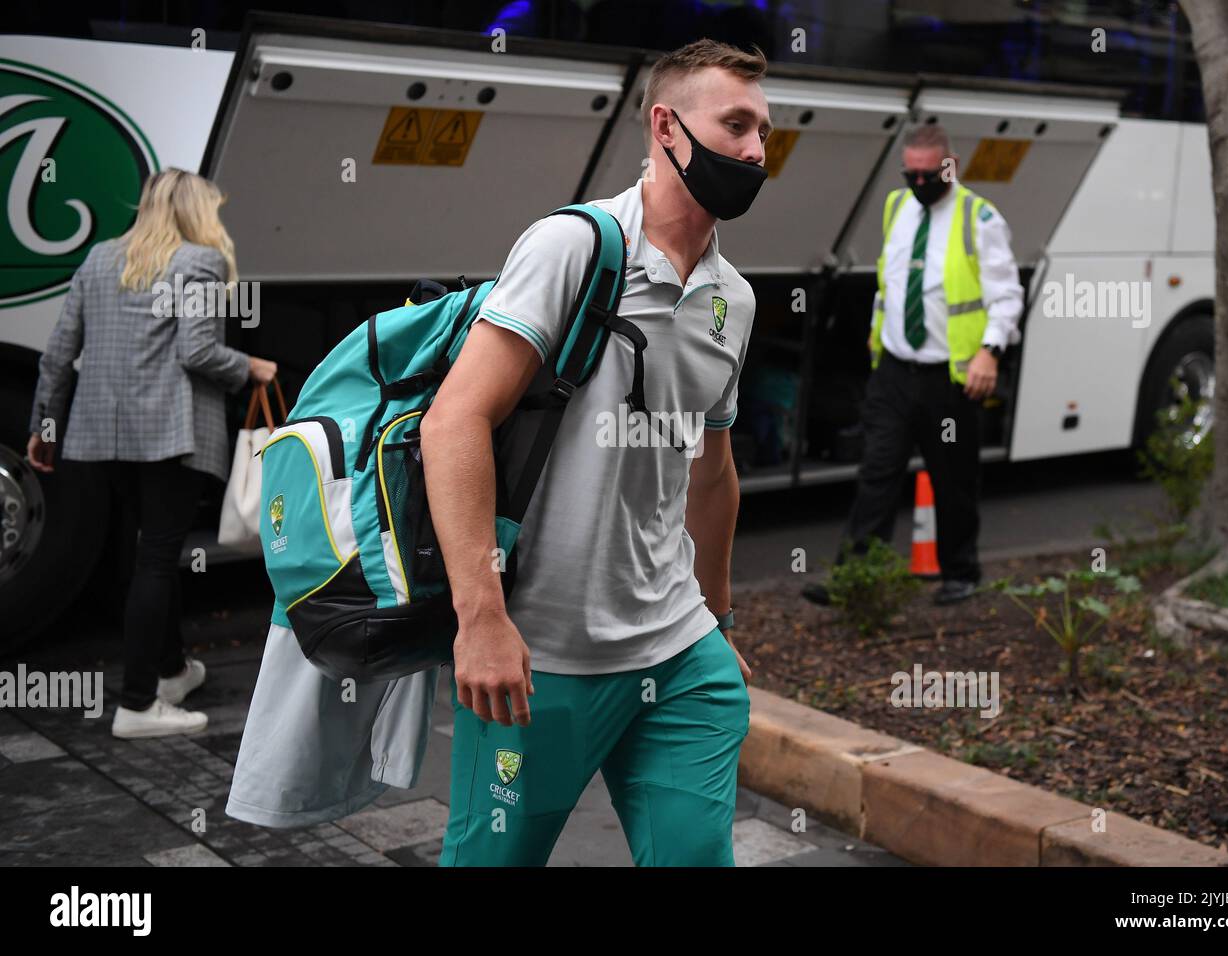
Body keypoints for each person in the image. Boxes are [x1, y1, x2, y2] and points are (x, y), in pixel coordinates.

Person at [423, 38, 768, 866]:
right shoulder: (571, 247)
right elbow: (453, 421)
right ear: (667, 127)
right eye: (737, 125)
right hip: (541, 665)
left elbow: (711, 469)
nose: (757, 151)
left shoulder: (735, 299)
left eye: (765, 132)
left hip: (680, 662)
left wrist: (715, 620)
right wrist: (481, 620)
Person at [25, 168, 278, 739]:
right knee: (158, 558)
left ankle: (170, 672)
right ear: (196, 211)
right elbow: (198, 352)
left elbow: (59, 353)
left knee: (141, 556)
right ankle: (138, 705)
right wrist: (251, 368)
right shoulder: (201, 262)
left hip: (102, 437)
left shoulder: (98, 259)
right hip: (170, 435)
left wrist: (44, 425)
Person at [803, 125, 1023, 607]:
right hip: (896, 372)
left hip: (951, 378)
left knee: (954, 480)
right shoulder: (897, 208)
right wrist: (878, 332)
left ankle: (961, 573)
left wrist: (990, 350)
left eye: (929, 174)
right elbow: (890, 282)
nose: (919, 183)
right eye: (911, 173)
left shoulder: (979, 218)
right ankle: (856, 579)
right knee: (876, 474)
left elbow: (1006, 296)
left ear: (952, 166)